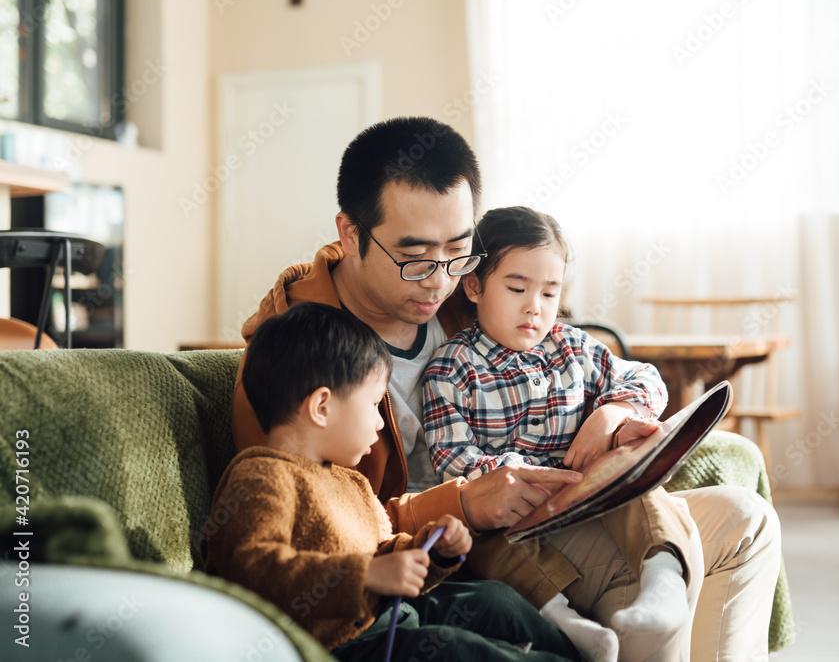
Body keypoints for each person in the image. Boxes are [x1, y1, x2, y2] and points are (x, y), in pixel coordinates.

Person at [231, 116, 782, 661]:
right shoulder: (296, 346)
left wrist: (613, 410)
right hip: (475, 547)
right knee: (637, 583)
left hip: (557, 500)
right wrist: (464, 501)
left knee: (745, 520)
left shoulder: (469, 291)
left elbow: (571, 351)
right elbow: (329, 523)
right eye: (416, 258)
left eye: (458, 251)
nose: (440, 280)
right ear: (351, 233)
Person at [203, 302, 579, 661]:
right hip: (336, 645)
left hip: (390, 618)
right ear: (322, 407)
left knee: (497, 601)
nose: (381, 423)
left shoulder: (351, 483)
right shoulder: (261, 475)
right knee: (454, 650)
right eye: (372, 406)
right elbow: (250, 570)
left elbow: (384, 552)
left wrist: (430, 551)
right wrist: (366, 576)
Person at [423, 206, 701, 661]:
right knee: (484, 549)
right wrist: (516, 474)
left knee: (639, 485)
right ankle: (565, 621)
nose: (535, 307)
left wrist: (610, 416)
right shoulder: (451, 369)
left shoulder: (571, 346)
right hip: (519, 515)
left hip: (592, 494)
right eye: (517, 289)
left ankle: (663, 582)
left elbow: (646, 379)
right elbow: (452, 458)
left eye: (549, 293)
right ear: (474, 285)